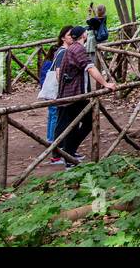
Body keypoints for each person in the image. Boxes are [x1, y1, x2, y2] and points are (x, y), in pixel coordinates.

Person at [54, 26, 114, 167]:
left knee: (76, 124)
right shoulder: (77, 49)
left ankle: (69, 154)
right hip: (73, 95)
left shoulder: (73, 48)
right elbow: (90, 67)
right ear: (83, 35)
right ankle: (68, 157)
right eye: (85, 33)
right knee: (86, 122)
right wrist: (105, 83)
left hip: (73, 94)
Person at [40, 27, 73, 164]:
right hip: (56, 92)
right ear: (62, 38)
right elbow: (58, 74)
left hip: (55, 91)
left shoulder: (51, 59)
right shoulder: (61, 53)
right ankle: (54, 144)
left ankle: (53, 140)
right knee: (56, 115)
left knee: (55, 115)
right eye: (69, 35)